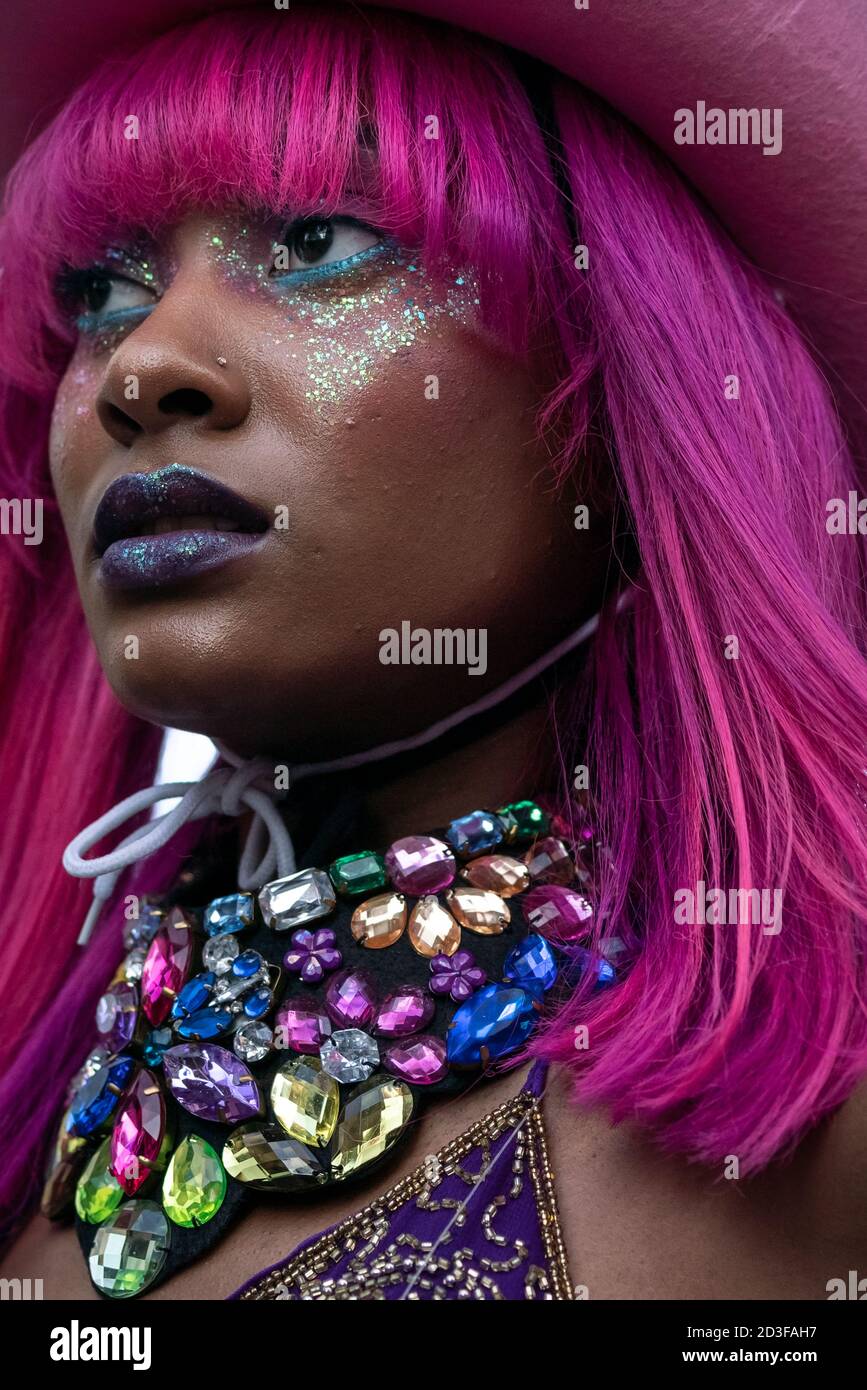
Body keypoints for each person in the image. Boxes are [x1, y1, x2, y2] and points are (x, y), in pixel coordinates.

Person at [0, 3, 865, 1301]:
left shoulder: (822, 1118)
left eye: (314, 242)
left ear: (633, 364)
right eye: (102, 292)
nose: (144, 367)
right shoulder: (41, 1091)